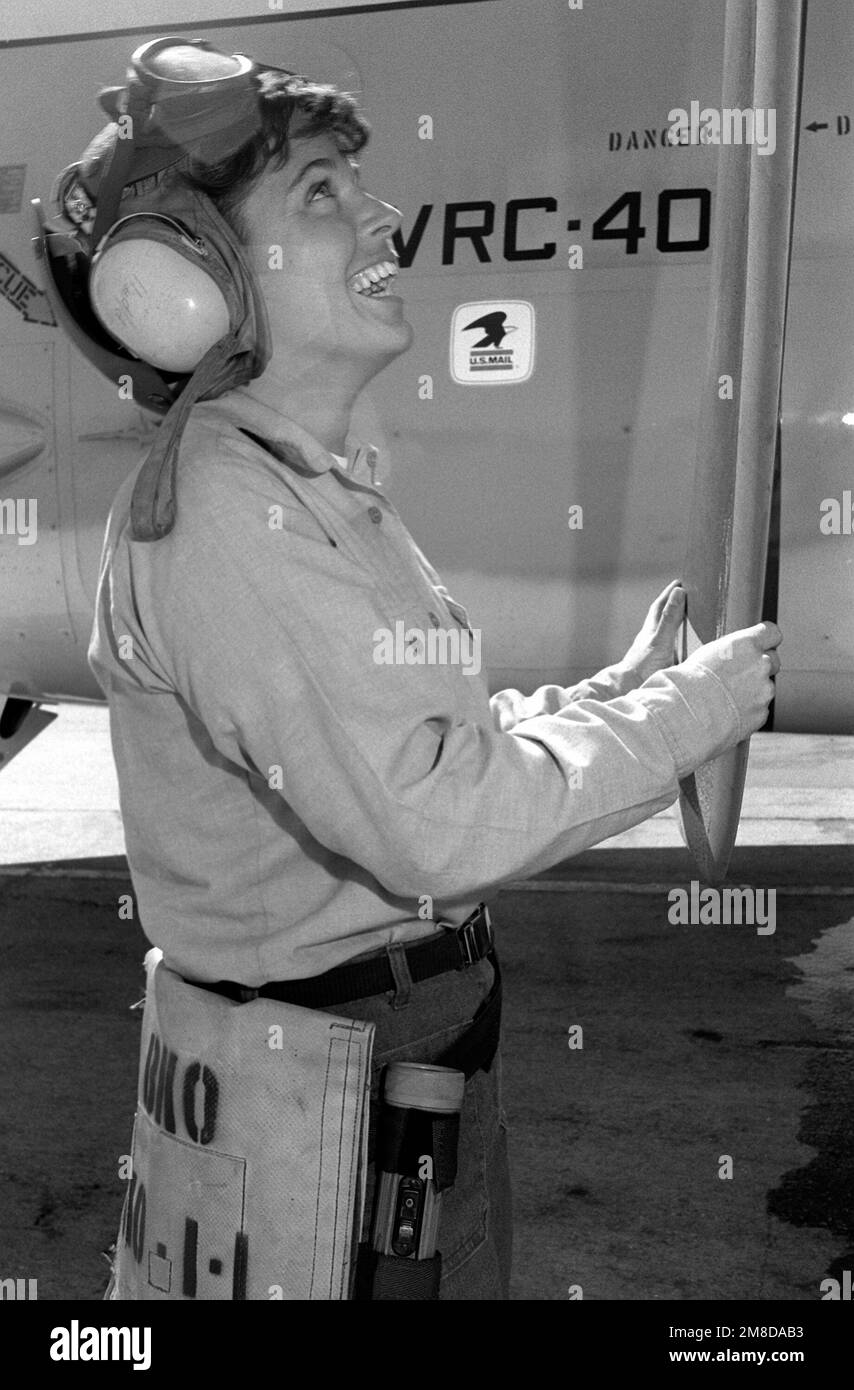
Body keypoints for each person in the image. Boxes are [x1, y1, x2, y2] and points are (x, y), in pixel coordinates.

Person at [84, 54, 782, 1300]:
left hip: (387, 1066)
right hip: (339, 1091)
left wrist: (616, 696)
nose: (381, 214)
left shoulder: (301, 488)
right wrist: (695, 713)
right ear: (194, 280)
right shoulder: (233, 520)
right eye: (319, 192)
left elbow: (427, 749)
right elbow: (436, 823)